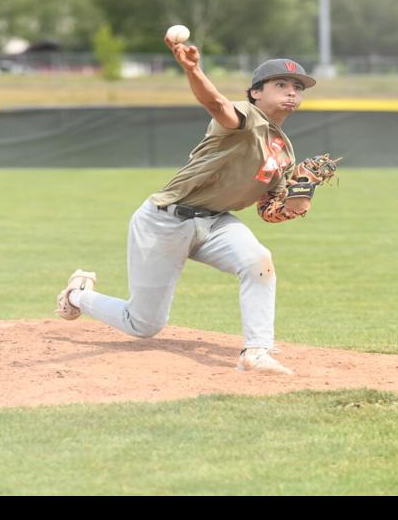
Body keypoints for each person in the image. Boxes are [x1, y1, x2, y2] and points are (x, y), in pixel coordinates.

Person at [56, 46, 320, 376]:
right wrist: (193, 70)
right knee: (143, 324)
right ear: (255, 92)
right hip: (164, 221)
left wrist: (298, 200)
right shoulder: (244, 116)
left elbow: (269, 209)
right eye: (281, 84)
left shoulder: (283, 150)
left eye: (298, 87)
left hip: (216, 222)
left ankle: (257, 350)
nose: (292, 92)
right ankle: (78, 294)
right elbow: (216, 105)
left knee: (258, 262)